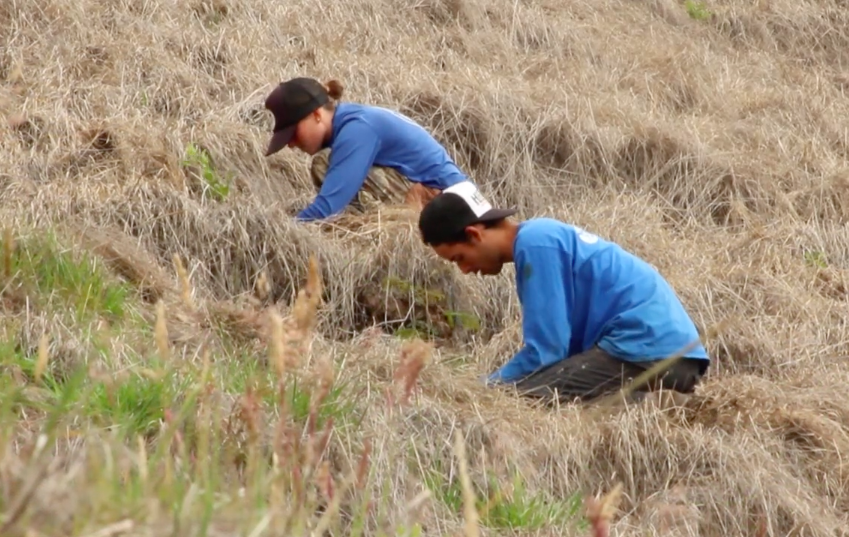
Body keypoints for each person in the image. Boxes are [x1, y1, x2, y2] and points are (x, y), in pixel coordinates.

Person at [416, 181, 711, 405]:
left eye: (459, 258)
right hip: (673, 357)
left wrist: (482, 388)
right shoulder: (541, 236)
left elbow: (547, 351)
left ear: (474, 234)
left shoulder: (536, 244)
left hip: (647, 354)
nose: (465, 270)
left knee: (517, 400)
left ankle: (653, 405)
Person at [262, 76, 475, 220]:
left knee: (324, 162)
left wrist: (284, 229)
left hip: (455, 207)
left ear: (316, 115)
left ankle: (400, 234)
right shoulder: (353, 120)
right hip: (457, 202)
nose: (290, 144)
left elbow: (328, 208)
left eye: (293, 133)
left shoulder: (357, 130)